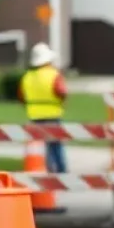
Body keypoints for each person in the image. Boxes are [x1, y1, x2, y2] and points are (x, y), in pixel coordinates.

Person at [18, 43, 68, 174]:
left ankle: (45, 172)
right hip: (53, 115)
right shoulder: (54, 75)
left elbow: (22, 97)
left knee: (39, 148)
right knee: (55, 146)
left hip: (34, 116)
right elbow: (62, 91)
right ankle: (60, 173)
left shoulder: (27, 77)